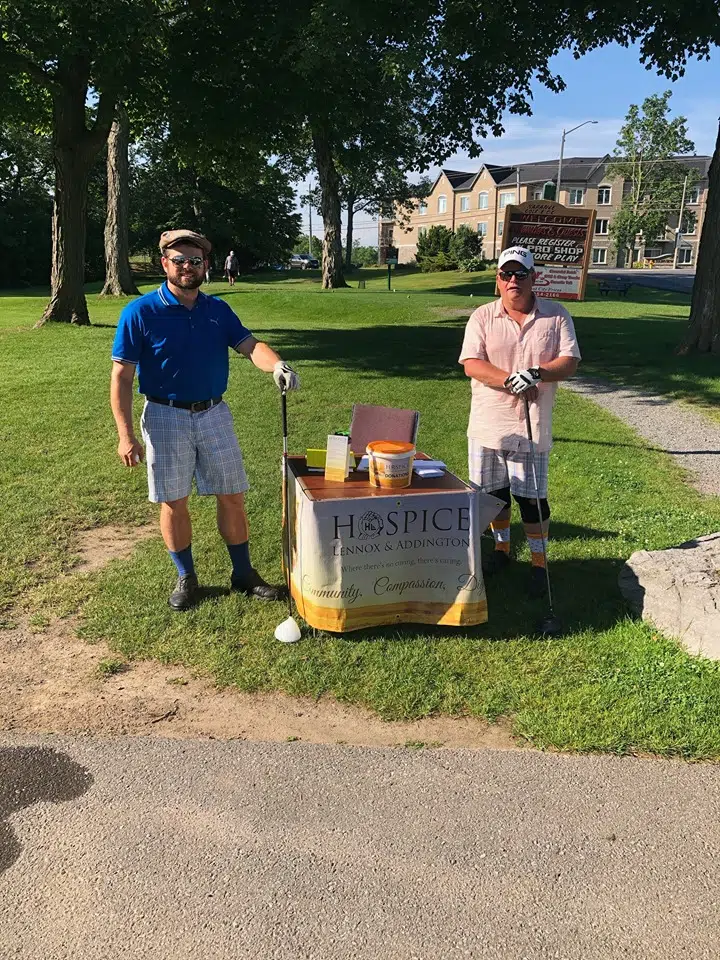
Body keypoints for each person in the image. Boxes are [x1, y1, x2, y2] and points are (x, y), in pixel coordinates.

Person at [110, 228, 300, 612]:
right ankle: (186, 577)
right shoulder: (139, 312)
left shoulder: (218, 311)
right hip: (165, 416)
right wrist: (125, 435)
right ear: (164, 263)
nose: (186, 267)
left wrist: (275, 363)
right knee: (173, 500)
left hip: (214, 413)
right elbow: (122, 376)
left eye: (194, 261)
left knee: (232, 494)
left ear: (205, 265)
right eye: (178, 260)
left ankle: (243, 574)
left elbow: (251, 347)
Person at [459, 246, 581, 596]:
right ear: (498, 280)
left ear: (533, 277)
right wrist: (511, 380)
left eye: (520, 274)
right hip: (488, 423)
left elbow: (569, 362)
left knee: (532, 498)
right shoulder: (482, 316)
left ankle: (539, 563)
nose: (513, 280)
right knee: (493, 495)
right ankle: (501, 549)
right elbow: (471, 363)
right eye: (506, 274)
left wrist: (537, 373)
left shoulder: (556, 315)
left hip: (532, 424)